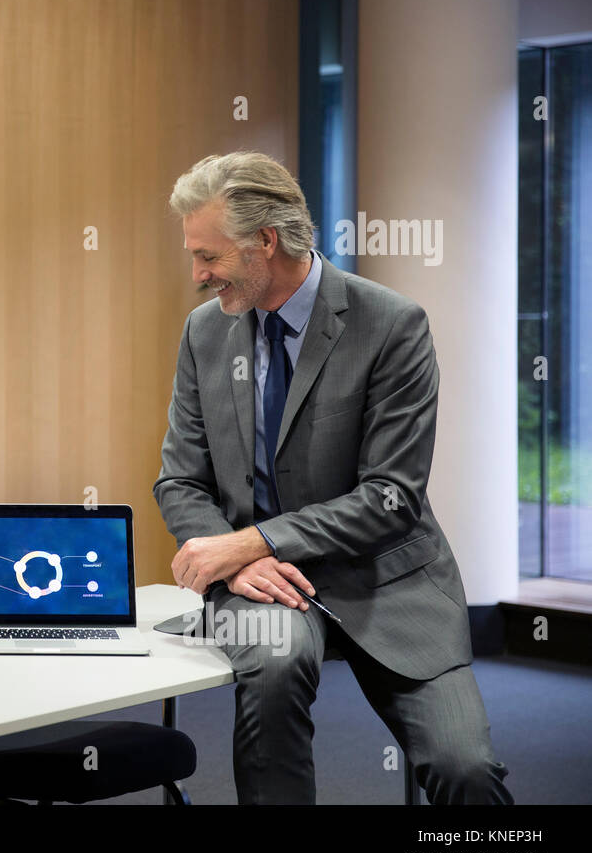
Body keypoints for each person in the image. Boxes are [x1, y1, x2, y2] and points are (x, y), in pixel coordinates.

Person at [155, 151, 512, 804]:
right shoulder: (204, 334)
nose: (200, 275)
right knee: (275, 666)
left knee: (466, 771)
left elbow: (391, 497)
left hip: (387, 577)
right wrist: (233, 561)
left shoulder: (391, 325)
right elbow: (180, 480)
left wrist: (252, 541)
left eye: (208, 256)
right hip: (264, 586)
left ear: (265, 241)